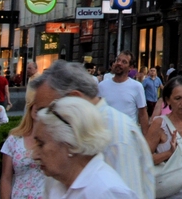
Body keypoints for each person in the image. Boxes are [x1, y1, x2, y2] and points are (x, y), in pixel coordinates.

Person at [34, 60, 156, 199]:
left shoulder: (117, 133)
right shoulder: (71, 134)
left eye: (47, 110)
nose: (39, 119)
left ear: (75, 98)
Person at [32, 96, 136, 199]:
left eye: (41, 144)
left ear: (69, 145)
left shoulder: (105, 190)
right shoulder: (56, 183)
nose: (34, 155)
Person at [0, 78, 45, 199]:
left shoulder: (57, 140)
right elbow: (6, 177)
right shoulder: (14, 139)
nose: (39, 106)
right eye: (36, 101)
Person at [100, 53, 149, 130]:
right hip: (107, 136)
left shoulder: (137, 86)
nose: (119, 63)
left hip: (129, 136)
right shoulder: (102, 86)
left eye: (124, 62)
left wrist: (146, 138)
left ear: (130, 67)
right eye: (118, 60)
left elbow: (142, 114)